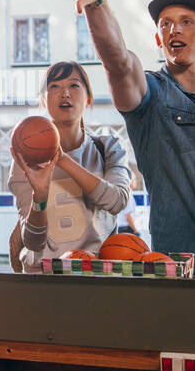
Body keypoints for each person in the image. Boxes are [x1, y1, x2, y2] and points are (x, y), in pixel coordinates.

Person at [33, 0, 195, 279]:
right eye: (165, 24)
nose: (173, 30)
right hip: (175, 264)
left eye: (186, 22)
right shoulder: (150, 95)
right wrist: (98, 4)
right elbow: (119, 63)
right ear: (158, 38)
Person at [8, 61, 131, 272]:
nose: (65, 93)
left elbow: (118, 201)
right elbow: (32, 242)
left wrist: (63, 160)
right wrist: (40, 195)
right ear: (43, 101)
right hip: (43, 281)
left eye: (74, 85)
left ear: (89, 98)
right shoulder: (26, 158)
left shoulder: (108, 147)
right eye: (54, 86)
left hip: (97, 278)